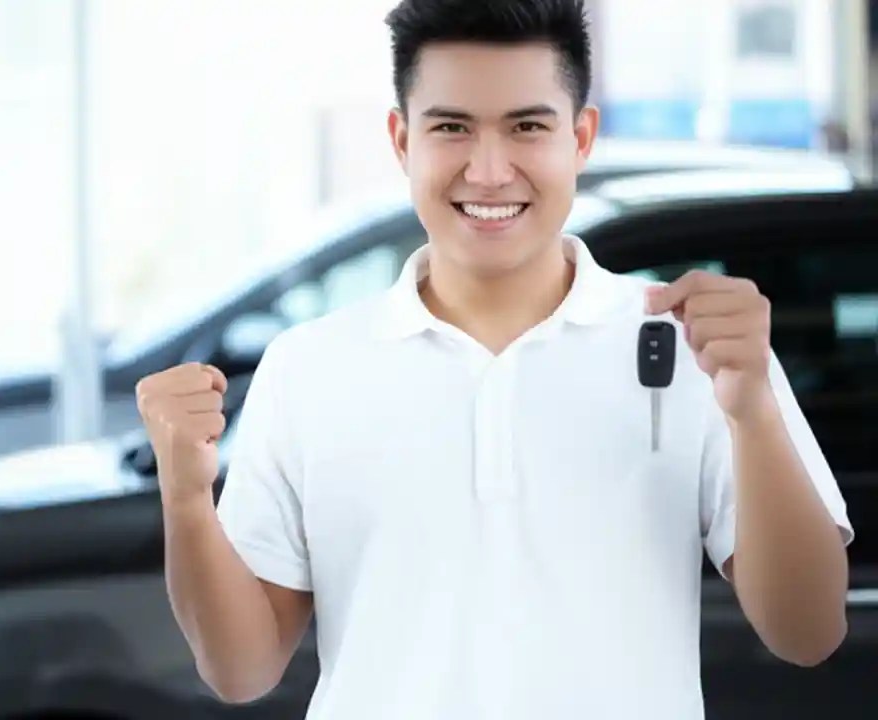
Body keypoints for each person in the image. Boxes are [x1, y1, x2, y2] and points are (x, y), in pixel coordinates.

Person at [133, 1, 854, 717]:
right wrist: (187, 500)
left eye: (527, 127)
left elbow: (809, 633)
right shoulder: (307, 368)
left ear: (581, 138)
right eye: (451, 128)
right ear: (400, 140)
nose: (488, 170)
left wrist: (753, 410)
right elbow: (241, 671)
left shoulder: (699, 349)